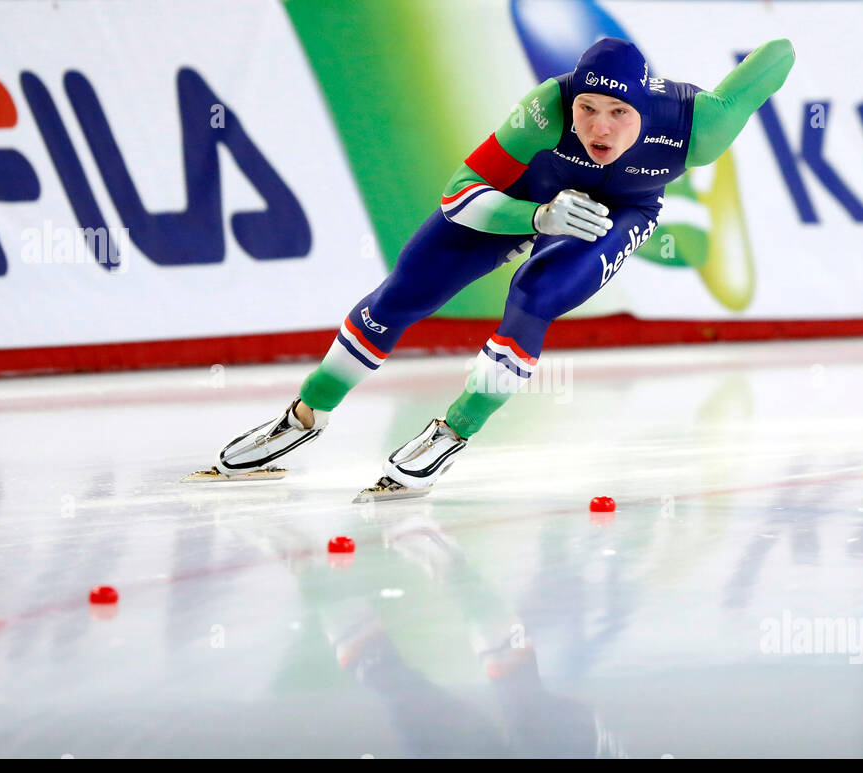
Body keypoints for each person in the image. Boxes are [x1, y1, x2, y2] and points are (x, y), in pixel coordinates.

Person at [207, 36, 795, 500]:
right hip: (524, 198)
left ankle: (454, 431)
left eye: (619, 112)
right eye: (587, 109)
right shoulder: (544, 108)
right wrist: (536, 216)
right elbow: (457, 193)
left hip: (621, 210)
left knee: (535, 293)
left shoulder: (700, 125)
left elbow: (778, 57)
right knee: (405, 291)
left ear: (646, 110)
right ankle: (305, 413)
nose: (599, 128)